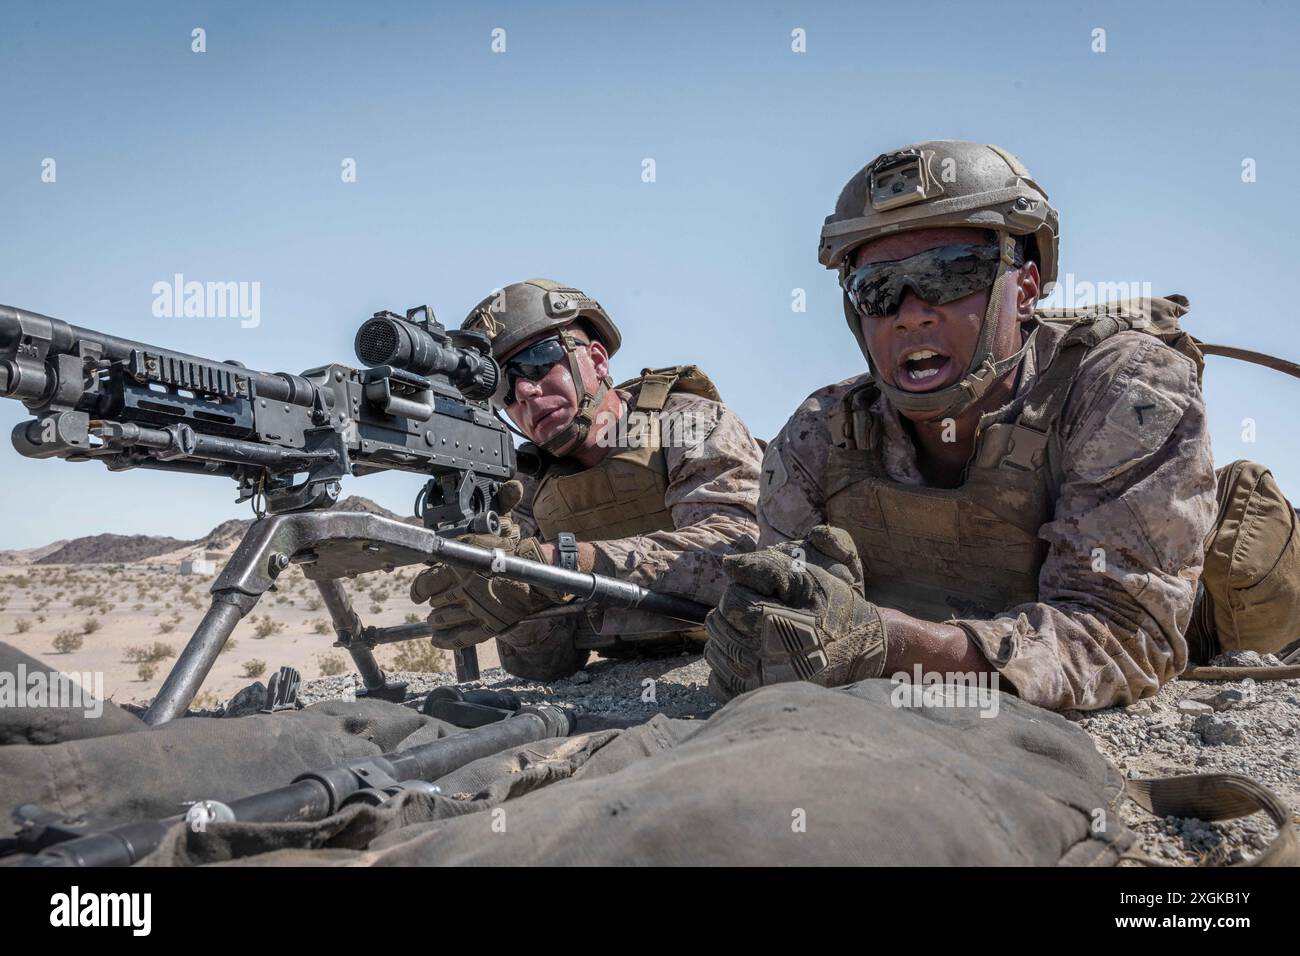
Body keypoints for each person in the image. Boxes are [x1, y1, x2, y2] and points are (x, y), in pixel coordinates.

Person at [705, 141, 1217, 712]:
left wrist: (892, 643)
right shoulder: (821, 432)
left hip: (1203, 609)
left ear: (1023, 290)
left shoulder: (1121, 391)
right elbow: (779, 611)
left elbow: (1121, 637)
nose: (911, 312)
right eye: (878, 289)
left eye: (949, 274)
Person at [412, 278, 764, 680]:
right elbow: (546, 664)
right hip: (620, 680)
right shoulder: (524, 487)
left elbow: (741, 554)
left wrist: (559, 563)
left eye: (538, 361)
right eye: (503, 388)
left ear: (597, 360)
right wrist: (510, 600)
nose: (525, 390)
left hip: (731, 667)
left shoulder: (686, 423)